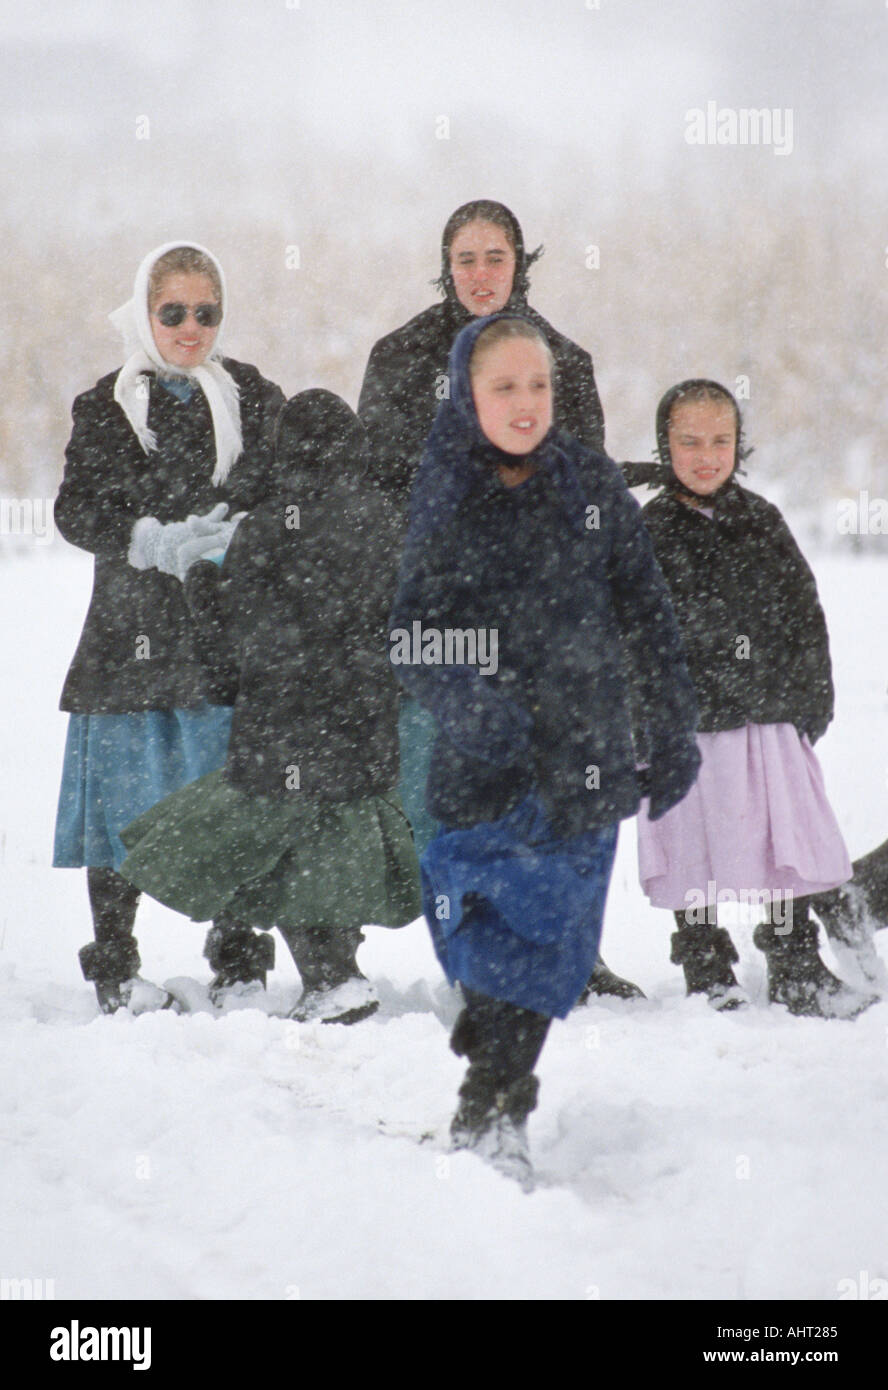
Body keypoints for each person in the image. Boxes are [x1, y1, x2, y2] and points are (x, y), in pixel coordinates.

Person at [389, 314, 700, 1186]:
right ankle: (488, 1040)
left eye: (539, 387)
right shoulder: (444, 487)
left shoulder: (593, 482)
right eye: (504, 388)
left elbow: (646, 614)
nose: (526, 404)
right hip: (481, 761)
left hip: (583, 752)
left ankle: (493, 1108)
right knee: (484, 929)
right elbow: (413, 632)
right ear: (469, 394)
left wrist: (671, 726)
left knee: (549, 940)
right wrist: (471, 702)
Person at [360, 199, 637, 1000]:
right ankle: (476, 949)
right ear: (445, 266)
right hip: (445, 611)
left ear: (521, 263)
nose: (481, 274)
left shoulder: (565, 361)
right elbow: (379, 491)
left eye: (496, 257)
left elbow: (584, 493)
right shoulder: (402, 356)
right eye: (465, 258)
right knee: (458, 780)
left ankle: (568, 948)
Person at [118, 391, 421, 1024]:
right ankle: (336, 977)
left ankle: (333, 982)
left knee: (258, 846)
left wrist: (201, 579)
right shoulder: (393, 523)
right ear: (355, 449)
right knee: (334, 848)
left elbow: (228, 665)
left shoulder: (264, 529)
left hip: (278, 737)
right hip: (361, 734)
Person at [53, 241, 284, 1013]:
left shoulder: (252, 396)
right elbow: (75, 509)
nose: (191, 327)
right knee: (125, 807)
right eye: (173, 312)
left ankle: (242, 958)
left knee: (232, 796)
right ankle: (117, 967)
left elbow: (287, 484)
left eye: (206, 312)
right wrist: (145, 537)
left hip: (223, 634)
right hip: (129, 638)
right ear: (146, 313)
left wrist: (240, 530)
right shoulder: (107, 403)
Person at [629, 379, 877, 1018]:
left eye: (720, 440)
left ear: (739, 446)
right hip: (685, 727)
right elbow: (624, 633)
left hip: (764, 716)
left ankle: (796, 964)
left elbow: (803, 615)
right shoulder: (648, 530)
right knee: (694, 848)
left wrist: (809, 703)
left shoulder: (761, 520)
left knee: (780, 843)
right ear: (666, 445)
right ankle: (707, 969)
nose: (706, 455)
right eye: (689, 441)